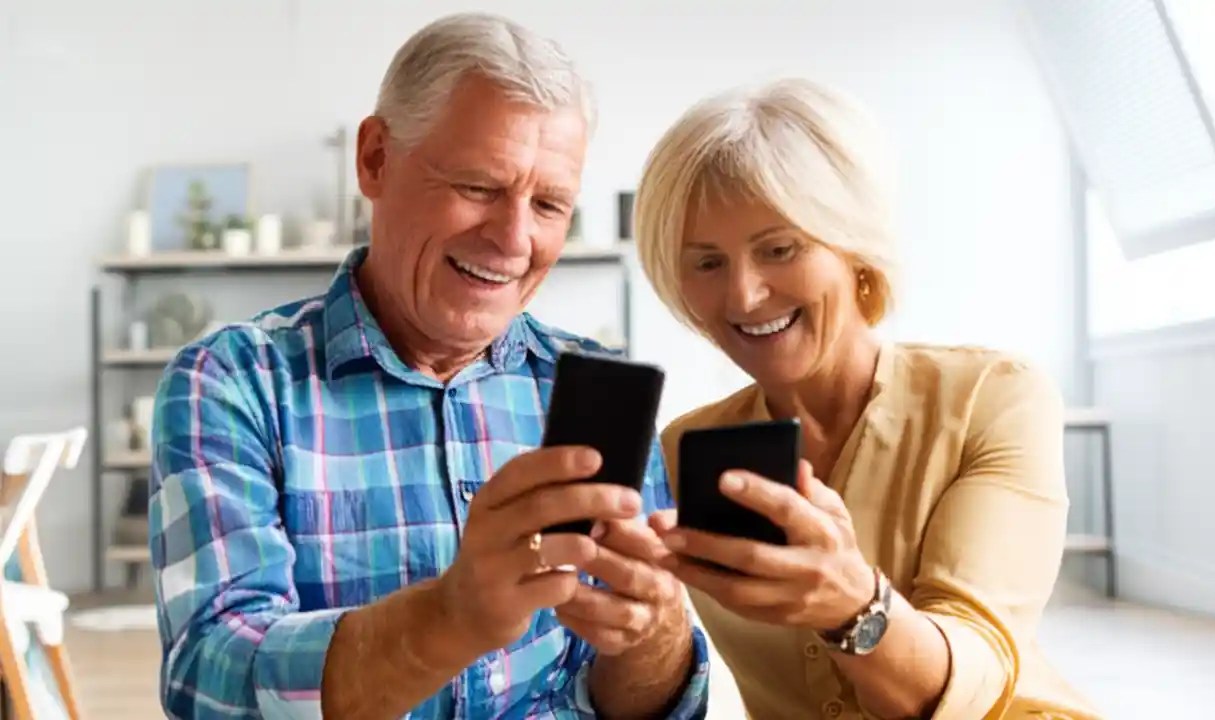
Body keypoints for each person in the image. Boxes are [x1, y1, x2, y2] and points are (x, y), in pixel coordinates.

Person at [148, 13, 709, 719]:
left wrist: (653, 637)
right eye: (477, 186)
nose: (513, 239)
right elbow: (209, 682)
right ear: (376, 159)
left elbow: (646, 701)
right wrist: (450, 618)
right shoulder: (232, 383)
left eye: (547, 204)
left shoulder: (596, 388)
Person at [631, 77, 1102, 720]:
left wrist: (851, 603)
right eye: (707, 263)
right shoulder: (681, 455)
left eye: (779, 249)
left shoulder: (991, 400)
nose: (742, 296)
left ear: (854, 248)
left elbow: (979, 672)